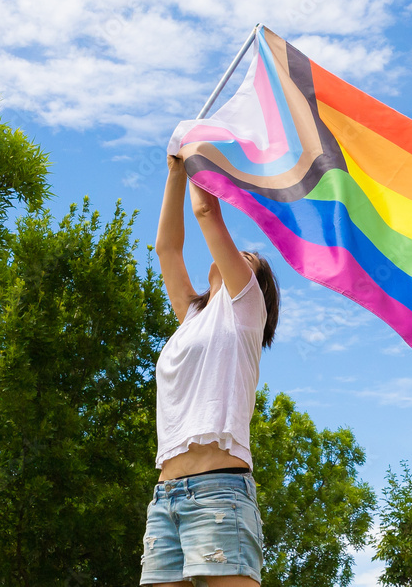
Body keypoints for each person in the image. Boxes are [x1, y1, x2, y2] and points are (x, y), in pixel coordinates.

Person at [139, 152, 280, 587]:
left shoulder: (244, 310)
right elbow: (167, 247)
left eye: (248, 257)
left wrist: (197, 151)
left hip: (219, 490)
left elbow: (205, 210)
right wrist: (175, 172)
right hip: (165, 497)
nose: (238, 254)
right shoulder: (193, 318)